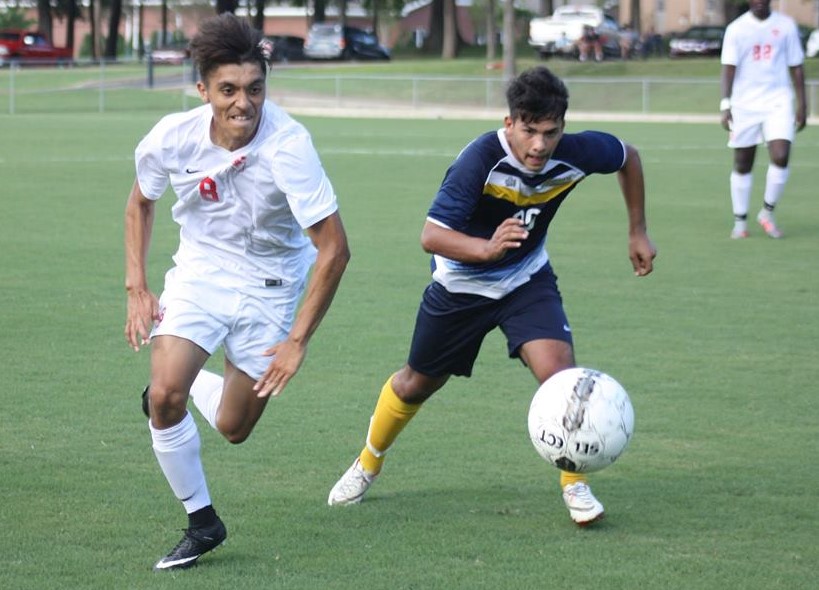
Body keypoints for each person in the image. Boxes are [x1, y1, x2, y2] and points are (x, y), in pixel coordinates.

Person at [327, 66, 656, 526]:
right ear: (509, 124)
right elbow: (432, 235)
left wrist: (637, 230)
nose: (540, 144)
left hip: (526, 281)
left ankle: (575, 483)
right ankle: (368, 462)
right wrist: (485, 248)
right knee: (416, 383)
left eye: (550, 132)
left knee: (561, 376)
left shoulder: (576, 151)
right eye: (529, 131)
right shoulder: (480, 160)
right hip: (459, 287)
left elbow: (629, 156)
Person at [124, 13, 350, 571]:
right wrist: (137, 286)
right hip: (201, 272)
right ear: (202, 89)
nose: (243, 103)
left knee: (233, 427)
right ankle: (203, 524)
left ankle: (171, 392)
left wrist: (297, 340)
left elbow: (335, 249)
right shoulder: (170, 139)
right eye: (227, 90)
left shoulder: (290, 146)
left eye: (254, 89)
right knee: (167, 397)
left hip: (271, 285)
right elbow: (140, 203)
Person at [720, 0, 807, 239]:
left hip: (777, 101)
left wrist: (803, 104)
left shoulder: (786, 25)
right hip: (744, 104)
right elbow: (728, 68)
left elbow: (796, 66)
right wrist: (725, 104)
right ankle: (740, 221)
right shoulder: (736, 29)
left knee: (780, 155)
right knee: (743, 162)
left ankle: (767, 213)